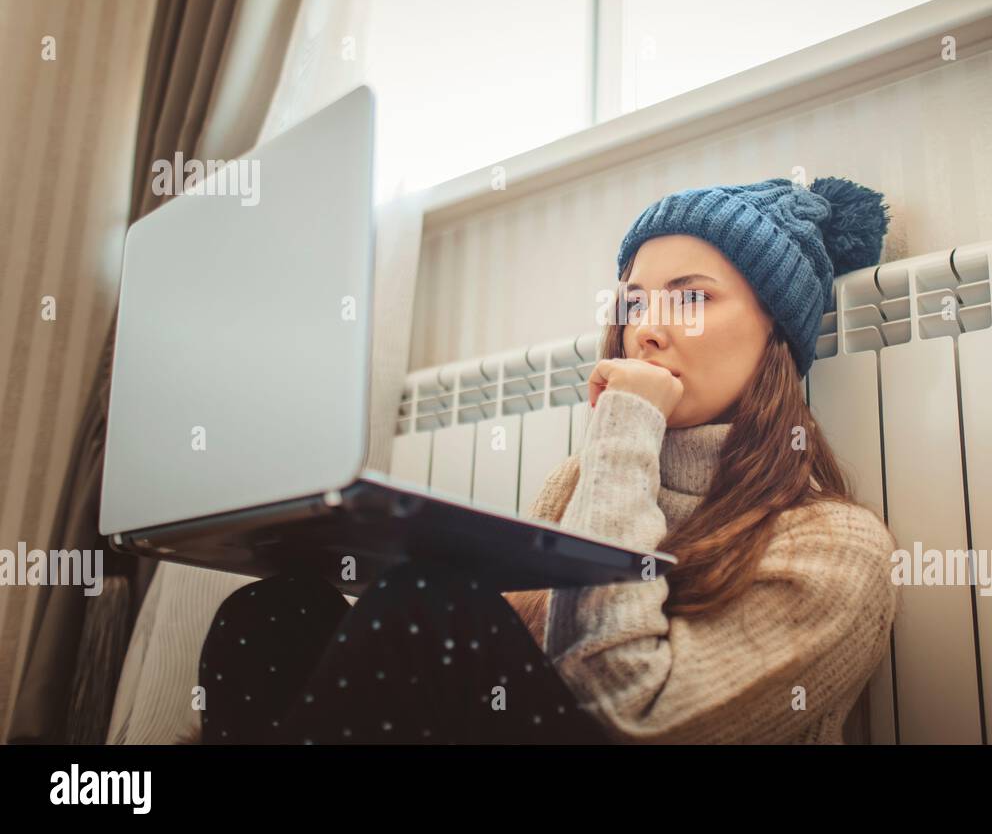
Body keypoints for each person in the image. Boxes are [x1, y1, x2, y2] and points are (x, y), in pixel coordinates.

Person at [199, 175, 899, 744]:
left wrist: (625, 430)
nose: (647, 331)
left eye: (689, 298)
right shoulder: (579, 483)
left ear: (776, 330)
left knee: (428, 607)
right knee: (275, 610)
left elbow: (628, 713)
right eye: (633, 303)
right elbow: (493, 669)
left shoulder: (839, 550)